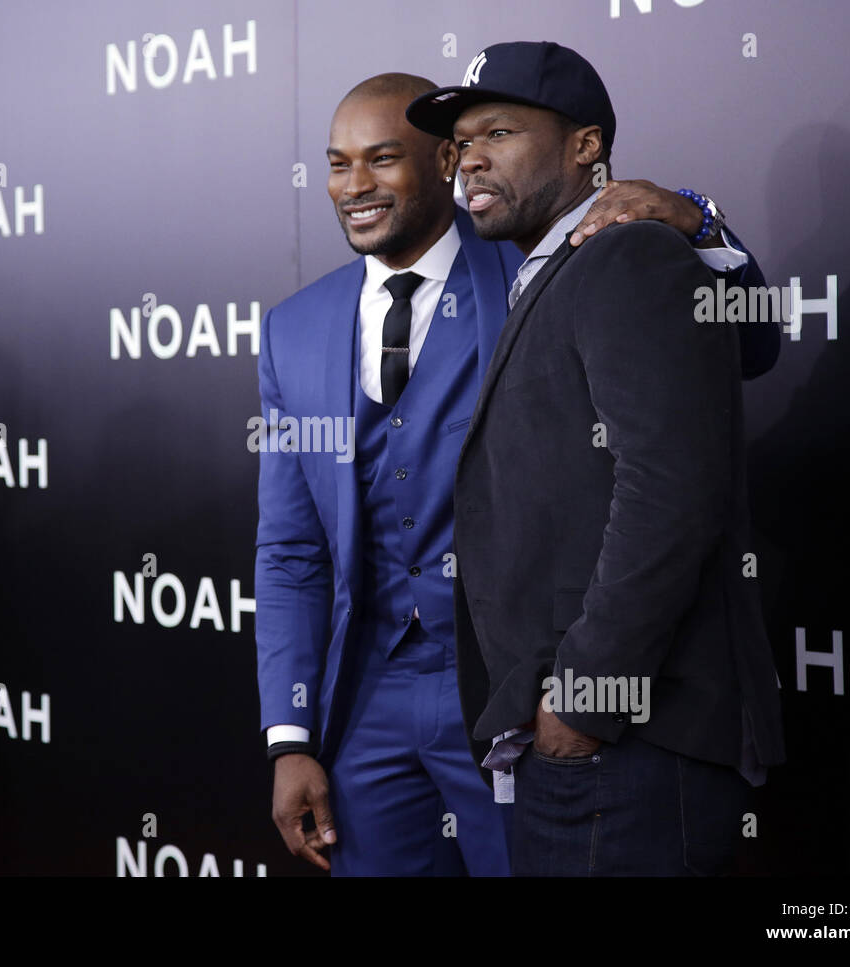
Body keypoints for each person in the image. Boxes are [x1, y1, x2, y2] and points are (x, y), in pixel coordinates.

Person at [256, 69, 776, 875]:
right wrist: (291, 737)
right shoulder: (293, 329)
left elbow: (743, 345)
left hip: (509, 694)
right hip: (365, 701)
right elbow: (291, 549)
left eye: (384, 157)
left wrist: (700, 221)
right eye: (337, 162)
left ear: (434, 166)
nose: (355, 184)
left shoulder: (543, 261)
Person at [405, 41, 786, 875]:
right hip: (587, 748)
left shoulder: (630, 253)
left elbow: (672, 491)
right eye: (461, 143)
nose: (470, 159)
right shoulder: (552, 271)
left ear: (586, 147)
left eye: (498, 132)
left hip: (631, 743)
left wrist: (579, 703)